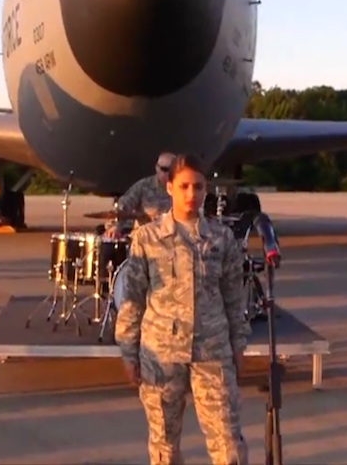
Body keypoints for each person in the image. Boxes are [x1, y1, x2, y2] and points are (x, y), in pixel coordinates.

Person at [115, 153, 250, 465]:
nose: (192, 194)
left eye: (199, 187)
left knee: (229, 445)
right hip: (161, 355)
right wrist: (128, 352)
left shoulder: (221, 238)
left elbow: (233, 298)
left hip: (212, 352)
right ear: (170, 188)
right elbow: (132, 301)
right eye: (185, 186)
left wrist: (239, 345)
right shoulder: (147, 239)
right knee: (164, 447)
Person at [107, 151, 176, 237]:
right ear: (157, 168)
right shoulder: (144, 186)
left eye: (172, 170)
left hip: (173, 240)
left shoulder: (182, 188)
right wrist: (116, 226)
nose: (168, 174)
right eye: (165, 170)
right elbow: (123, 206)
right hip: (145, 239)